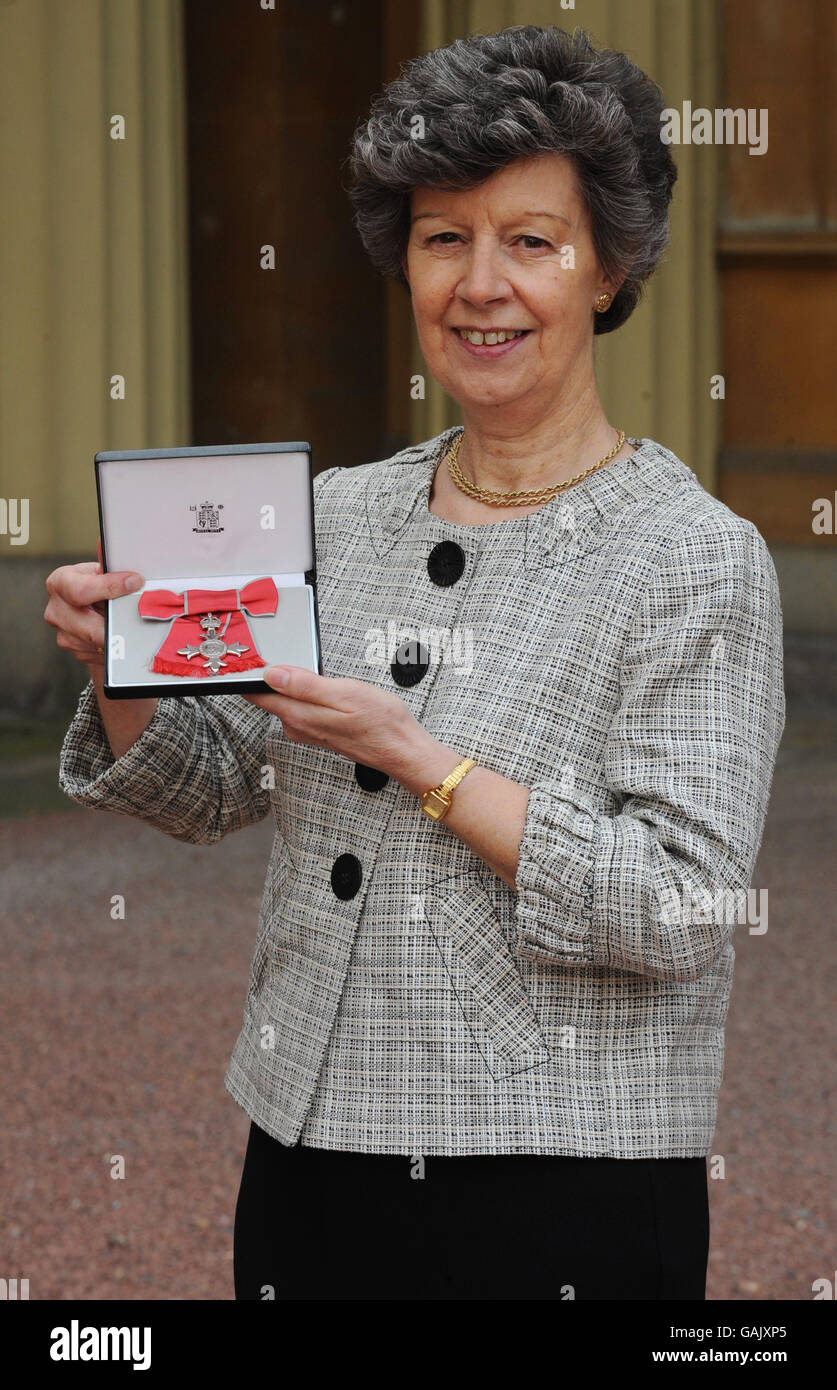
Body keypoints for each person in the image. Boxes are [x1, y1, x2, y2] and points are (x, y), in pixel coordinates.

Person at [47, 24, 785, 1300]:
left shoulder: (692, 557)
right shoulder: (337, 514)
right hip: (305, 1151)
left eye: (531, 242)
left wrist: (423, 761)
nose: (480, 285)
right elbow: (209, 787)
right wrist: (121, 662)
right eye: (446, 238)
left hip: (556, 1183)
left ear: (609, 270)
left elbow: (684, 906)